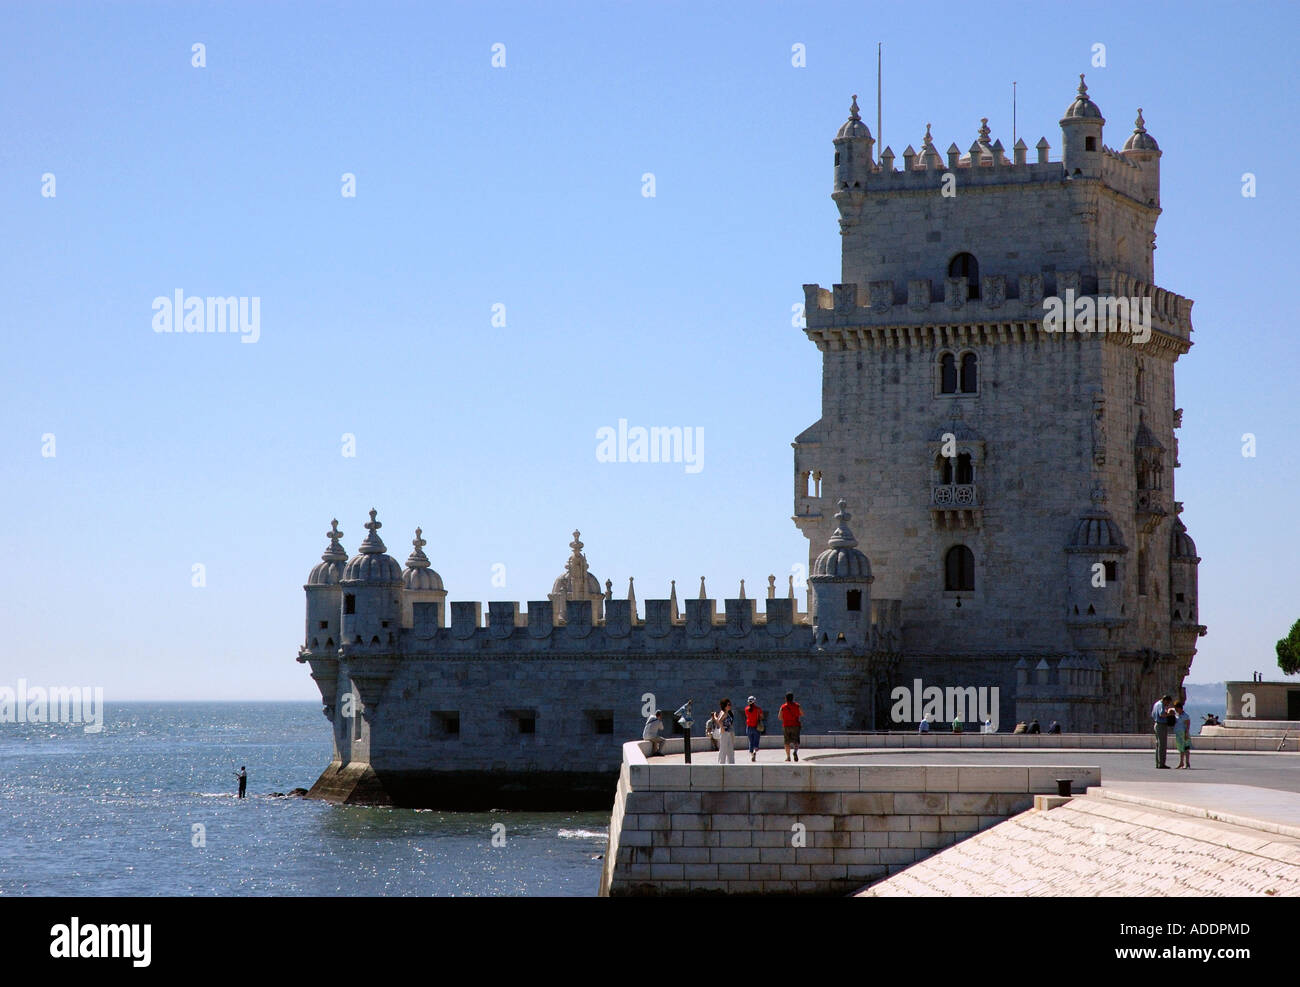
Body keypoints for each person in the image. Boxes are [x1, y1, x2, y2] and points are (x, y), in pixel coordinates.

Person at [778, 692, 803, 762]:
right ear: (793, 698)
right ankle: (795, 751)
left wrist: (785, 718)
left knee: (786, 742)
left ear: (785, 699)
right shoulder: (797, 705)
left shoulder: (783, 707)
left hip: (786, 726)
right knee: (796, 741)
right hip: (795, 725)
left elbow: (779, 717)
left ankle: (788, 757)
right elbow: (802, 713)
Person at [1151, 694, 1173, 768]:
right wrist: (1169, 714)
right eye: (1168, 703)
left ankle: (1158, 763)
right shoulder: (1161, 705)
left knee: (1158, 745)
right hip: (1161, 725)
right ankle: (1161, 764)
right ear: (1165, 700)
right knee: (1162, 745)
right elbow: (1162, 714)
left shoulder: (1156, 704)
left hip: (1156, 724)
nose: (1167, 705)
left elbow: (1153, 714)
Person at [713, 698, 736, 765]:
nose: (730, 706)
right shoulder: (723, 713)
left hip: (728, 732)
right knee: (723, 749)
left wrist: (714, 716)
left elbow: (718, 720)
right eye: (728, 704)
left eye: (730, 704)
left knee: (730, 749)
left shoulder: (727, 713)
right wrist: (722, 728)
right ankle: (721, 763)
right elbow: (719, 721)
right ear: (724, 705)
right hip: (724, 732)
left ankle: (731, 763)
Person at [743, 696, 765, 762]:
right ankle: (755, 751)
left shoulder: (746, 709)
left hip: (749, 727)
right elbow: (762, 717)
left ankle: (752, 754)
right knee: (756, 741)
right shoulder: (758, 709)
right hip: (756, 727)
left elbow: (747, 716)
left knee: (751, 742)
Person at [1174, 701, 1192, 769]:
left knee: (1186, 748)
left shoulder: (1185, 715)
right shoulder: (1176, 715)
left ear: (1180, 708)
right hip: (1178, 733)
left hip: (1184, 733)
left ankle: (1187, 763)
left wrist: (1186, 733)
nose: (1176, 710)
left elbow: (1188, 724)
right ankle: (1181, 762)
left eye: (1176, 709)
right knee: (1181, 749)